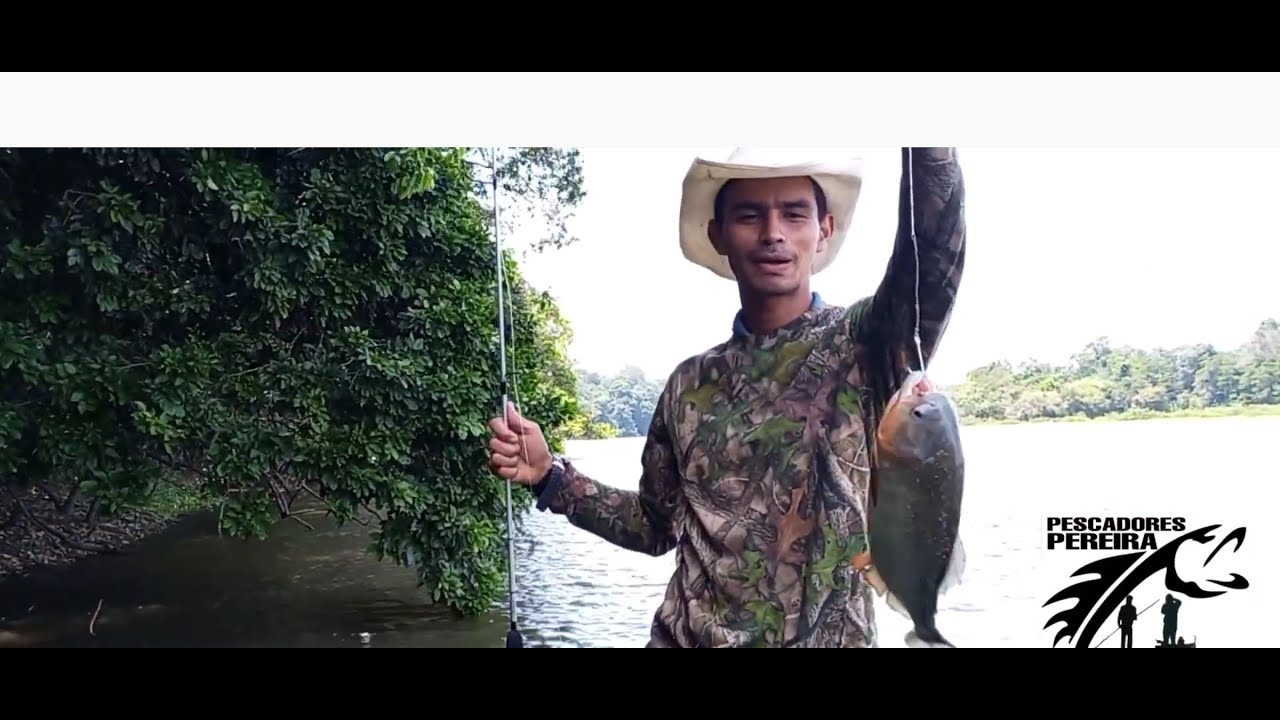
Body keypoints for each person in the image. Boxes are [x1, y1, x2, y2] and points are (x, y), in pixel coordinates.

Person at [486, 147, 967, 648]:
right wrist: (551, 478)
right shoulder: (688, 385)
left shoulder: (867, 343)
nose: (773, 233)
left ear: (823, 229)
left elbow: (931, 256)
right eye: (749, 215)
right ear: (718, 235)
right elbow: (656, 525)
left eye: (794, 213)